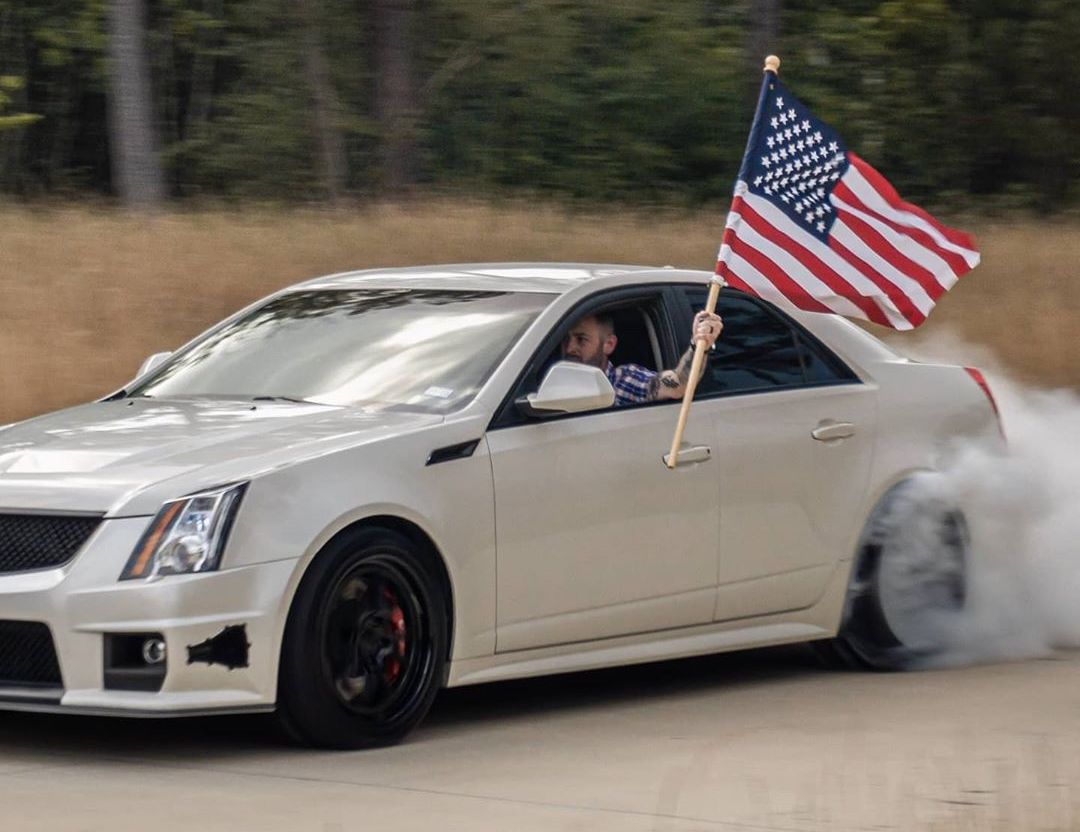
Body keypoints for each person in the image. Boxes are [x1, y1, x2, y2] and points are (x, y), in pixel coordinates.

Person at [561, 309, 723, 407]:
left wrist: (698, 345)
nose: (569, 348)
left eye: (581, 339)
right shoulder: (546, 379)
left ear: (609, 344)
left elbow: (677, 384)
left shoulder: (624, 381)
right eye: (565, 339)